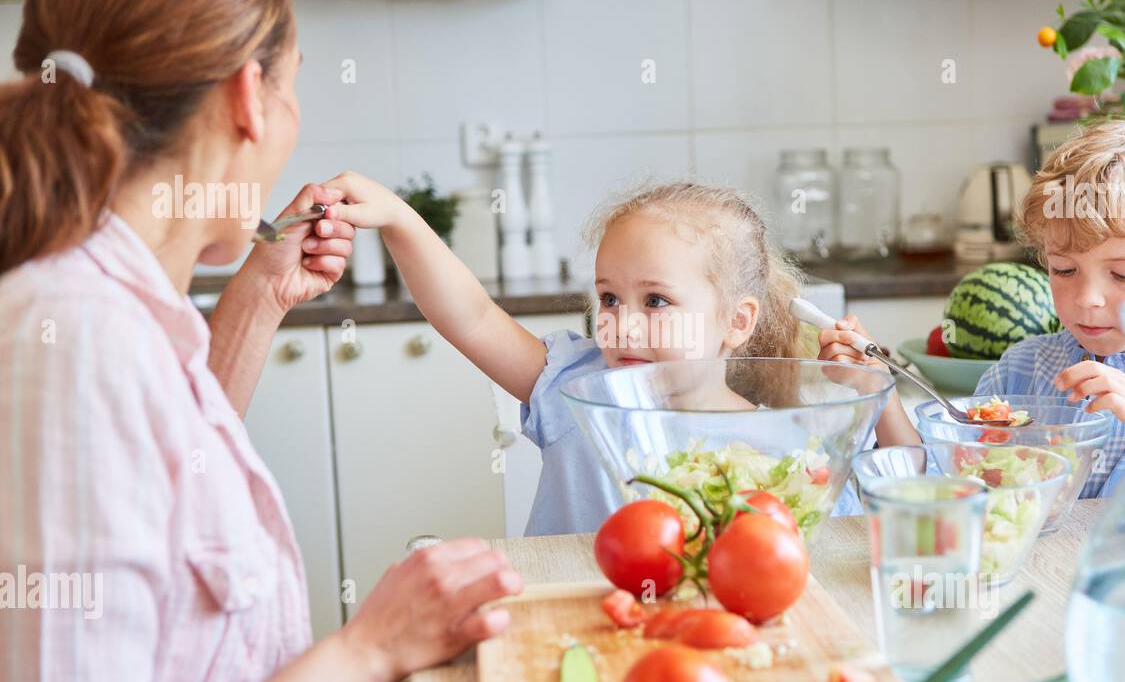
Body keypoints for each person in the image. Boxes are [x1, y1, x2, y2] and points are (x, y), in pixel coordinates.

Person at [0, 0, 520, 682]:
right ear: (249, 95)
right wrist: (369, 649)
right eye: (292, 85)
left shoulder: (113, 307)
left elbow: (173, 479)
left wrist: (259, 296)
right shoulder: (75, 348)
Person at [314, 176, 841, 535]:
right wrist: (399, 220)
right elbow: (471, 316)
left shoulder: (786, 445)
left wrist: (878, 397)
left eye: (655, 301)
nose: (621, 324)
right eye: (609, 297)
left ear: (737, 321)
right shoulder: (577, 388)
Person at [820, 111, 1125, 497]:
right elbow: (936, 492)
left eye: (1123, 275)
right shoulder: (1021, 374)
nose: (1087, 300)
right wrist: (879, 389)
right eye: (1064, 270)